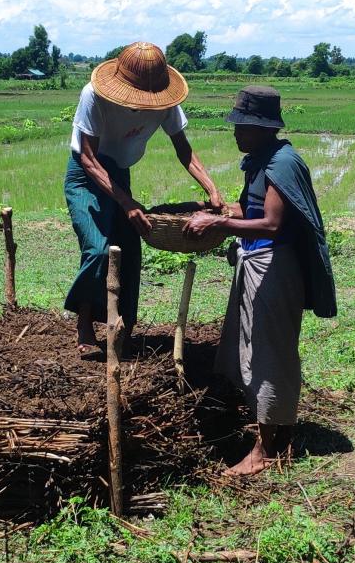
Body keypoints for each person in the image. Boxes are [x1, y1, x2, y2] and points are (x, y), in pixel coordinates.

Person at [184, 85, 336, 475]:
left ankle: (266, 449)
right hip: (259, 262)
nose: (235, 132)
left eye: (242, 126)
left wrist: (218, 222)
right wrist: (222, 209)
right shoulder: (263, 159)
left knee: (269, 353)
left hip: (274, 266)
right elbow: (255, 209)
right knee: (254, 347)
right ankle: (275, 432)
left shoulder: (281, 164)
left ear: (262, 127)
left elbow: (271, 223)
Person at [65, 42, 223, 358]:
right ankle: (84, 324)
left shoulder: (165, 103)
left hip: (119, 175)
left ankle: (124, 324)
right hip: (87, 175)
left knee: (130, 250)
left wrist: (212, 189)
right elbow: (89, 159)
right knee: (98, 249)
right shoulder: (93, 95)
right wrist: (127, 203)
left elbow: (184, 149)